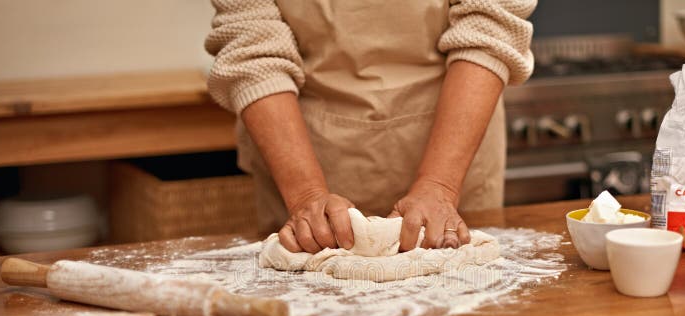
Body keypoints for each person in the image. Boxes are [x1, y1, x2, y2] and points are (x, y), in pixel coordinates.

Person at [205, 0, 535, 253]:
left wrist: (440, 186)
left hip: (454, 148)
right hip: (305, 146)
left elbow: (489, 25)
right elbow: (251, 41)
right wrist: (306, 194)